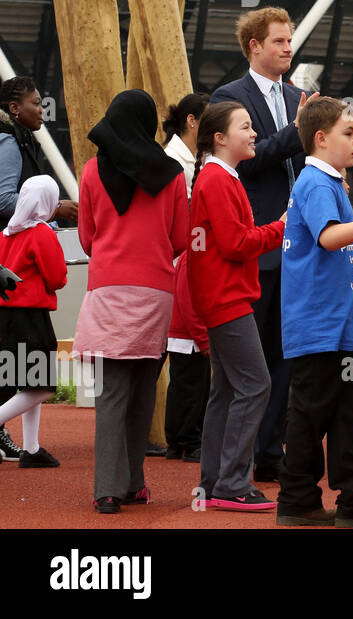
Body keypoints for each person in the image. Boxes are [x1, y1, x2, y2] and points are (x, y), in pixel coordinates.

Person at [210, 7, 316, 483]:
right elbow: (248, 164)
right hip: (256, 244)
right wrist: (294, 133)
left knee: (284, 356)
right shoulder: (229, 97)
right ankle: (240, 459)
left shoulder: (300, 96)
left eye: (289, 41)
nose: (287, 48)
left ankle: (271, 451)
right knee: (249, 364)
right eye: (278, 41)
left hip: (300, 243)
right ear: (254, 46)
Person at [72, 90, 188, 514]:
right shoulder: (172, 174)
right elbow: (180, 239)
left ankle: (107, 489)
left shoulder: (90, 172)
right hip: (156, 292)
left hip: (107, 291)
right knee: (144, 391)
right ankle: (135, 482)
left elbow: (86, 238)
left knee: (111, 396)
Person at [276, 97, 353, 528]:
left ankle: (346, 499)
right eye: (349, 133)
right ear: (321, 140)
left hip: (335, 330)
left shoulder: (327, 182)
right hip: (321, 329)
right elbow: (327, 238)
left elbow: (333, 245)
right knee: (315, 414)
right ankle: (304, 500)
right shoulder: (318, 183)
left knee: (344, 411)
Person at [189, 102, 286, 511]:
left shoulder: (215, 176)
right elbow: (236, 243)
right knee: (256, 384)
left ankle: (216, 480)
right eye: (245, 128)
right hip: (227, 297)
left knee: (226, 391)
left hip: (220, 296)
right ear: (220, 137)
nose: (253, 135)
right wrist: (283, 225)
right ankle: (230, 483)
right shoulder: (218, 179)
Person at [0, 176, 68, 467]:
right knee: (41, 386)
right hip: (30, 318)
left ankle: (32, 448)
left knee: (28, 384)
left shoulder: (5, 233)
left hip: (5, 317)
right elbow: (58, 278)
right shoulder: (41, 233)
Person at [160, 93, 209, 462]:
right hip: (177, 267)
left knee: (184, 372)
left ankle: (180, 438)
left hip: (182, 264)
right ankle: (184, 439)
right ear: (192, 121)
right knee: (189, 372)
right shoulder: (173, 163)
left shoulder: (192, 160)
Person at [0, 76, 77, 229]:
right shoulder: (9, 140)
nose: (42, 110)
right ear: (14, 108)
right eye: (36, 104)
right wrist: (55, 208)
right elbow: (4, 199)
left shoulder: (19, 139)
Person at [162, 93, 209, 197]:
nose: (213, 127)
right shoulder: (172, 159)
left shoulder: (203, 157)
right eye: (208, 121)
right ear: (191, 120)